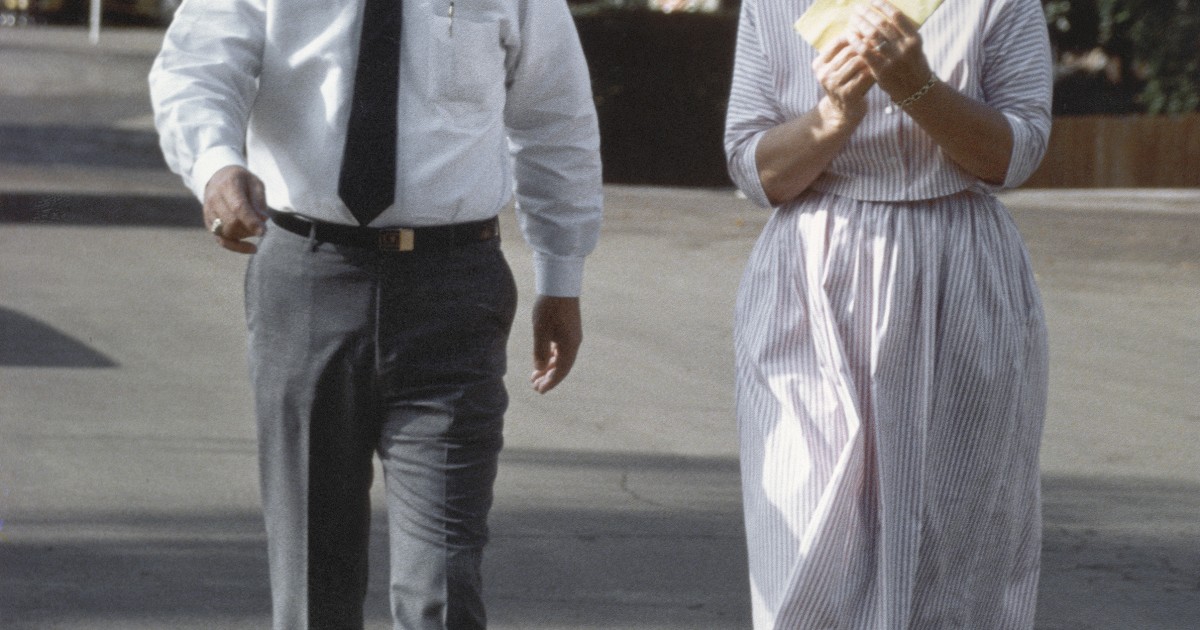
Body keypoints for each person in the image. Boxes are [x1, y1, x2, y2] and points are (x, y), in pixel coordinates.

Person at [148, 0, 602, 627]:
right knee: (314, 581)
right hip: (308, 277)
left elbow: (554, 117)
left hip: (453, 289)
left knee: (442, 585)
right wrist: (215, 165)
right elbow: (197, 67)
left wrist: (562, 276)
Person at [723, 0, 1052, 627]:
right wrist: (834, 115)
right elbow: (753, 167)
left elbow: (1017, 152)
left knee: (955, 544)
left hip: (957, 274)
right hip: (813, 279)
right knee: (806, 534)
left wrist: (917, 87)